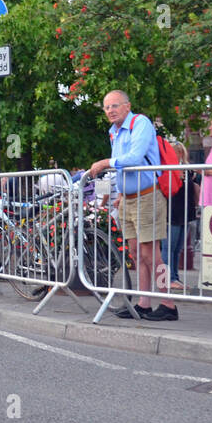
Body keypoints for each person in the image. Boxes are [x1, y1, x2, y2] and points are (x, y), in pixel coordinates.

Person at [81, 90, 177, 320]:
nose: (110, 111)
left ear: (127, 106)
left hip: (147, 196)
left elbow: (135, 158)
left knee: (152, 254)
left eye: (115, 105)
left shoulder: (140, 123)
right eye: (106, 107)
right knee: (136, 252)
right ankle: (143, 302)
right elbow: (124, 168)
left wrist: (106, 162)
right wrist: (122, 193)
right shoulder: (114, 131)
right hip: (129, 198)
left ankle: (168, 303)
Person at [162, 140, 195, 290]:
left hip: (184, 213)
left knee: (177, 248)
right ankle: (166, 279)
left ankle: (174, 277)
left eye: (177, 151)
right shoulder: (167, 169)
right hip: (172, 213)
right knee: (169, 247)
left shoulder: (188, 170)